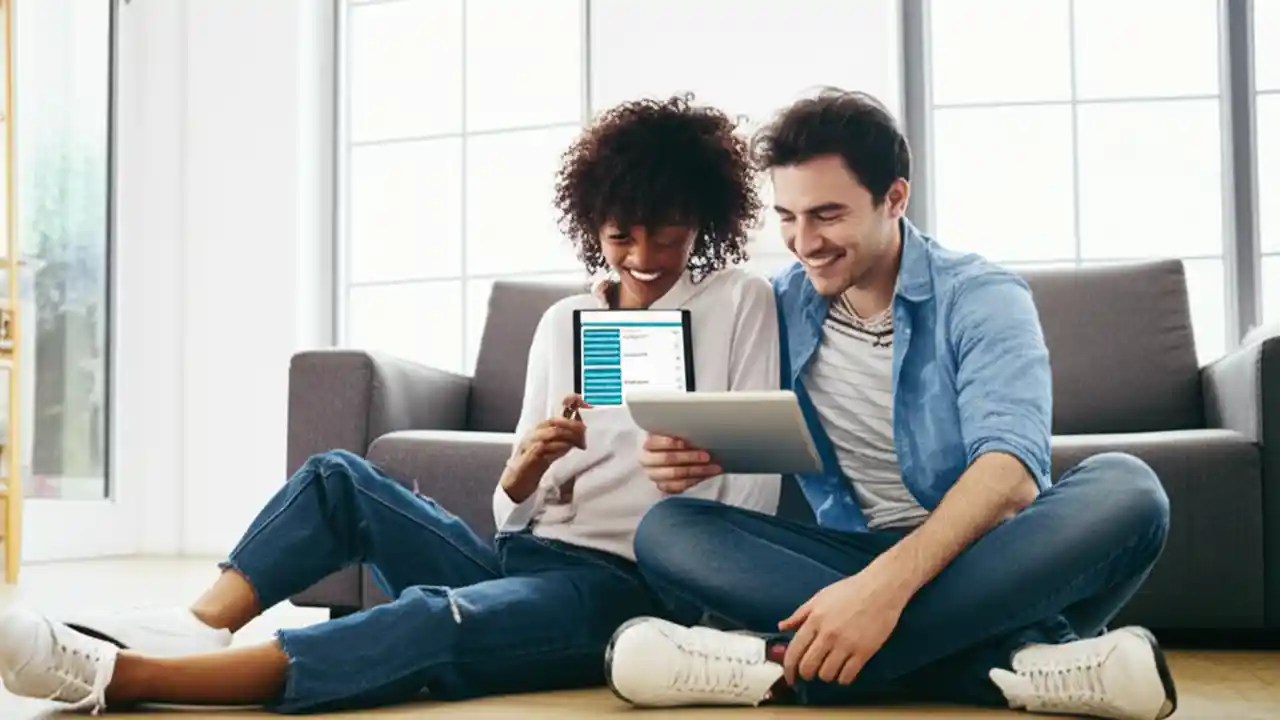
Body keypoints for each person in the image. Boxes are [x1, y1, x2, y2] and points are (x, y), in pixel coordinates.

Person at [0, 95, 781, 714]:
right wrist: (525, 470)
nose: (643, 260)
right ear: (593, 225)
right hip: (528, 556)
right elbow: (513, 519)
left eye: (669, 239)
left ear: (702, 224)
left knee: (432, 619)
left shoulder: (738, 302)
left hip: (623, 587)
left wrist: (691, 480)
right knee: (339, 477)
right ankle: (198, 629)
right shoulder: (564, 323)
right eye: (622, 237)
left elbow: (758, 494)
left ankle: (125, 677)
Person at [605, 89, 1176, 720]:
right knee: (669, 529)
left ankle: (775, 666)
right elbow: (705, 341)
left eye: (827, 215)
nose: (804, 241)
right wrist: (693, 453)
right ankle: (1024, 664)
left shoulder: (982, 297)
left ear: (895, 199)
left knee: (1130, 489)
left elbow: (1011, 476)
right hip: (846, 559)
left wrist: (884, 590)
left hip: (988, 557)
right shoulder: (783, 302)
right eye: (788, 216)